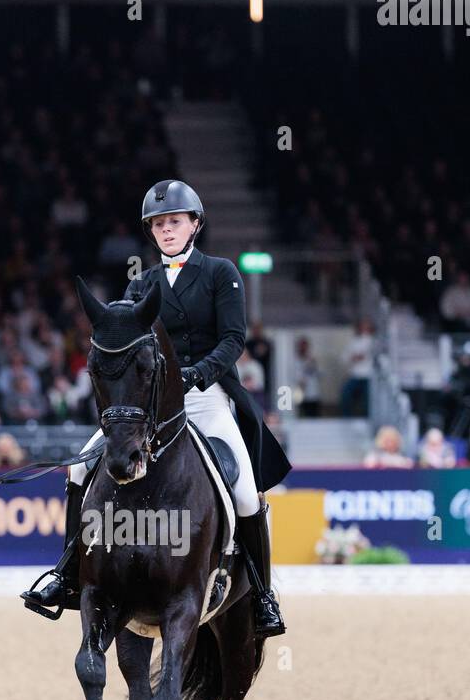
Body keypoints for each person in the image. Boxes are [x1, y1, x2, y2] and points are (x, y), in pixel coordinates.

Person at [22, 179, 290, 637]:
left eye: (175, 222)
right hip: (149, 404)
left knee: (245, 491)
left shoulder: (220, 272)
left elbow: (234, 340)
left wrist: (195, 374)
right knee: (78, 472)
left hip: (206, 397)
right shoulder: (141, 282)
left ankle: (263, 596)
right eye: (159, 224)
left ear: (194, 224)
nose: (167, 230)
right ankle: (66, 576)